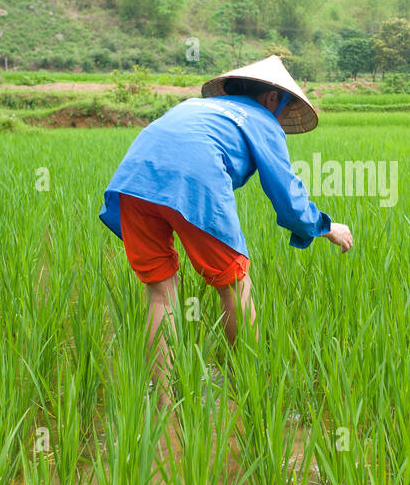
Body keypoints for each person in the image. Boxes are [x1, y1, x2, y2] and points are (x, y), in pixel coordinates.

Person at [98, 56, 353, 392]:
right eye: (285, 104)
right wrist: (326, 226)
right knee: (234, 282)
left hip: (133, 183)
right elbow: (288, 198)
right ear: (273, 98)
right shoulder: (262, 120)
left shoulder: (193, 107)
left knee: (160, 293)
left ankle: (158, 400)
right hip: (193, 182)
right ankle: (250, 388)